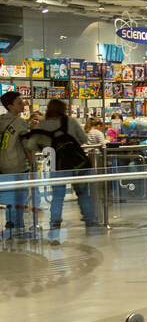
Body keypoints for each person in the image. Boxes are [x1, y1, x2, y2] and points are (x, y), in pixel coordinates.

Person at [24, 98, 98, 234]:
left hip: (58, 164)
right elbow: (84, 139)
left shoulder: (42, 125)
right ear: (63, 109)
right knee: (83, 194)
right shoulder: (70, 121)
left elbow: (30, 145)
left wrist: (45, 146)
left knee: (57, 196)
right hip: (78, 164)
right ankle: (90, 222)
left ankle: (55, 223)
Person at [0, 91, 32, 238]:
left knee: (8, 198)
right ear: (9, 106)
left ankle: (10, 225)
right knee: (19, 197)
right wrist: (32, 162)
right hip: (17, 165)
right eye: (19, 102)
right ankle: (18, 227)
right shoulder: (20, 122)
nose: (23, 104)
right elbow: (27, 145)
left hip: (3, 165)